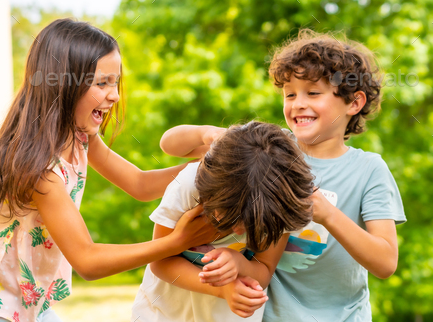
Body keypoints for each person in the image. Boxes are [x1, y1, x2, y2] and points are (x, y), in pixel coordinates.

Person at [0, 19, 218, 322]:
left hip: (28, 306)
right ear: (62, 84)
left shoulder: (81, 137)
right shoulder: (41, 171)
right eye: (102, 83)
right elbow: (87, 260)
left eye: (115, 82)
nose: (114, 95)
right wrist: (174, 243)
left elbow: (140, 184)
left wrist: (205, 166)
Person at [160, 29, 407, 322]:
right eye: (290, 94)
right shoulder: (271, 152)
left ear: (354, 103)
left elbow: (385, 262)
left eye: (313, 93)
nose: (297, 103)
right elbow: (170, 144)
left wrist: (328, 214)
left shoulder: (369, 170)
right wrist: (210, 134)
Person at [131, 121, 316, 322]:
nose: (237, 229)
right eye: (229, 217)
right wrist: (222, 290)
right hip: (163, 314)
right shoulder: (188, 186)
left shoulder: (280, 204)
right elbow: (160, 261)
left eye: (249, 225)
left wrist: (239, 263)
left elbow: (264, 269)